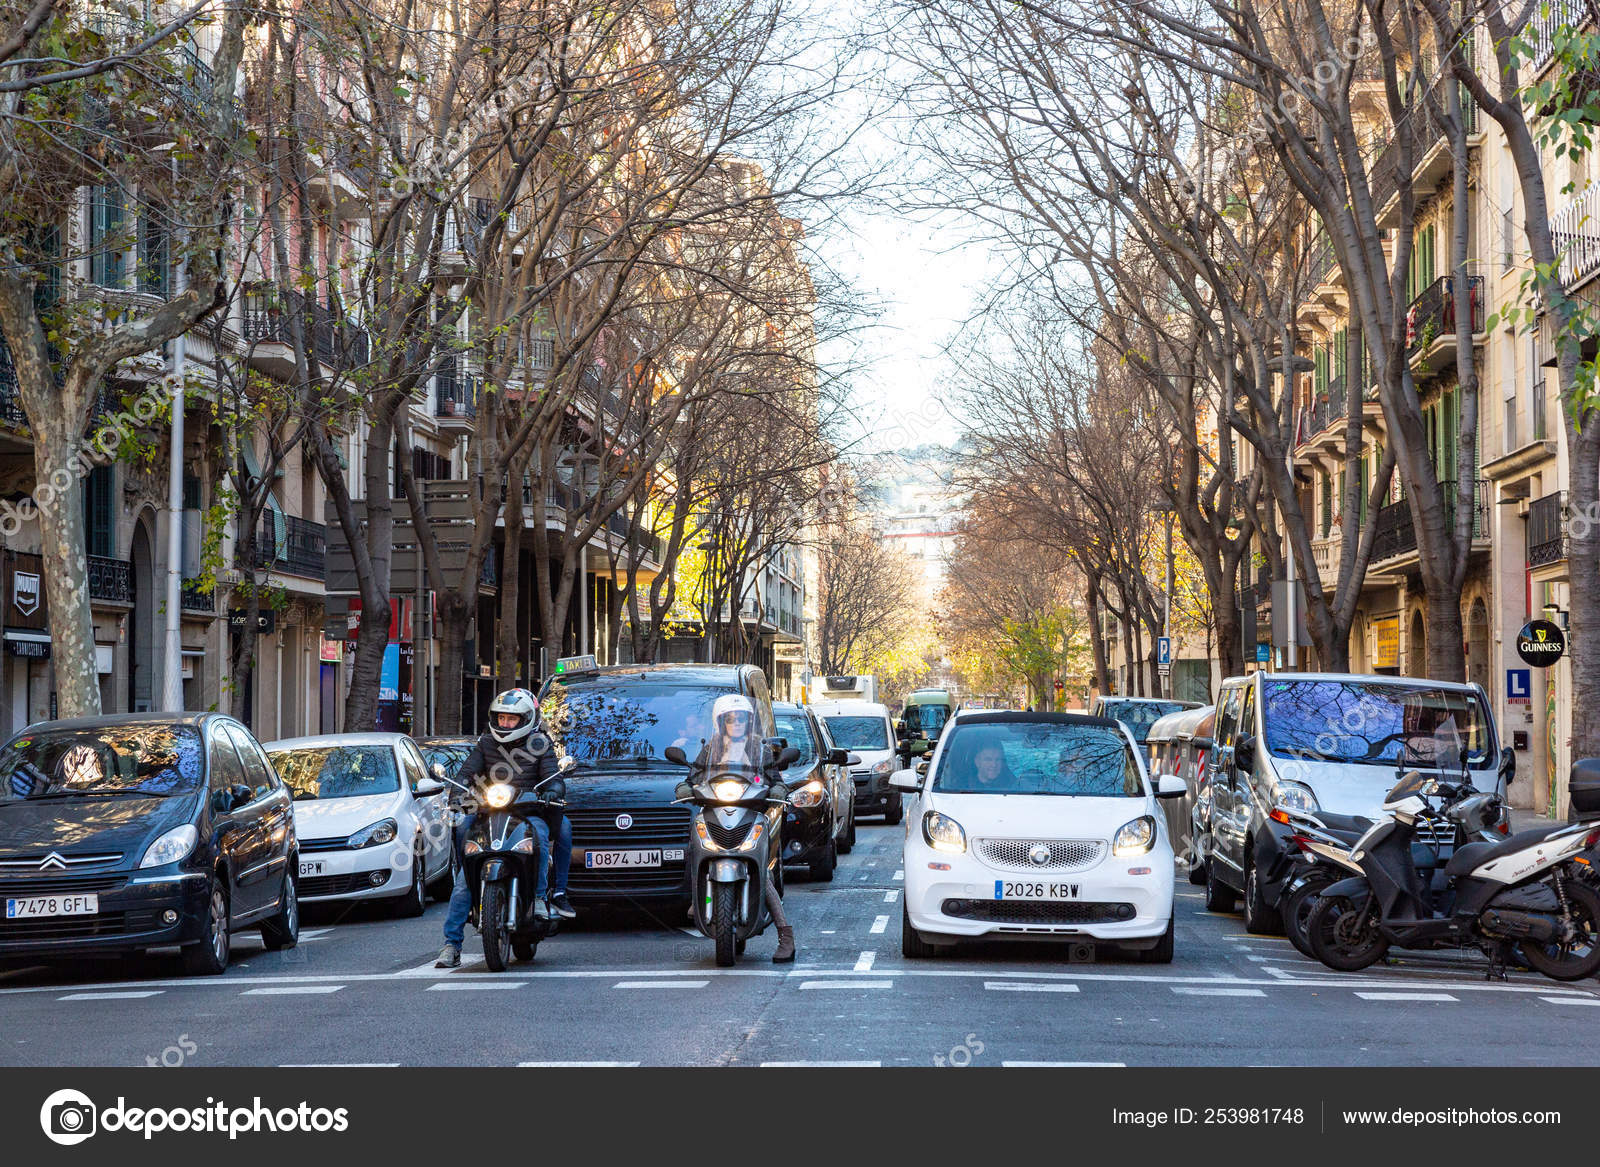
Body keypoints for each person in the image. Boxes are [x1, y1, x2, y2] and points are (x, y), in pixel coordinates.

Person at [437, 689, 573, 968]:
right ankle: (451, 944)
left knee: (543, 834)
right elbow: (467, 773)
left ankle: (538, 899)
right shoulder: (485, 743)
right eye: (501, 717)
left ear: (526, 718)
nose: (506, 724)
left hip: (528, 812)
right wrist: (456, 794)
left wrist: (552, 790)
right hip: (488, 813)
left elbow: (551, 776)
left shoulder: (540, 743)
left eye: (512, 719)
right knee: (464, 861)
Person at [695, 694, 796, 964]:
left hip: (751, 813)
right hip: (716, 812)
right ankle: (696, 900)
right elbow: (692, 775)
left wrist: (775, 789)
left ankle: (785, 934)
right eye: (730, 719)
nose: (736, 723)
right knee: (694, 843)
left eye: (741, 719)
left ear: (749, 722)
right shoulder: (710, 749)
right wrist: (686, 787)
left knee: (761, 871)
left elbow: (776, 778)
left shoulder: (760, 749)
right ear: (721, 722)